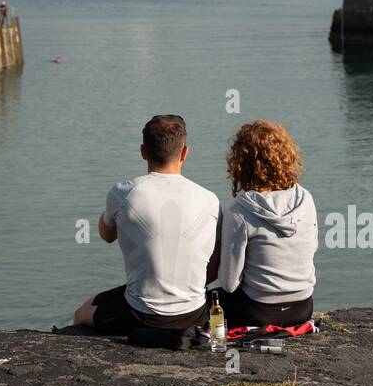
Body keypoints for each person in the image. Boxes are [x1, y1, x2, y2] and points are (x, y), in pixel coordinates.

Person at [73, 115, 220, 335]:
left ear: (143, 152)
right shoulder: (210, 200)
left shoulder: (122, 193)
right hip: (193, 314)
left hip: (140, 314)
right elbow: (215, 267)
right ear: (184, 153)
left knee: (80, 314)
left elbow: (107, 235)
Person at [217, 121, 318, 331]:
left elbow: (229, 284)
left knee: (207, 301)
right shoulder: (305, 199)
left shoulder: (239, 210)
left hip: (257, 312)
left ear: (240, 163)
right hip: (302, 308)